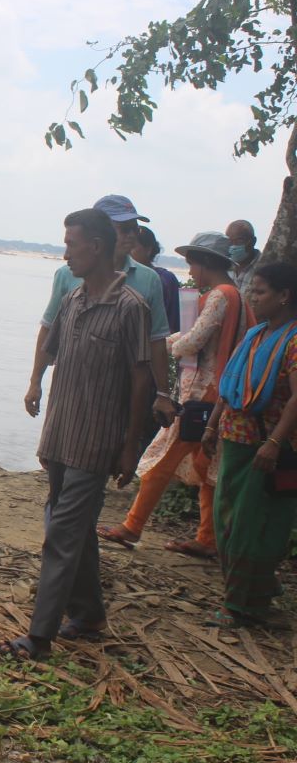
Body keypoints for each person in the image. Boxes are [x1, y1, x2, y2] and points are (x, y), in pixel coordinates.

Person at [0, 208, 150, 659]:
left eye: (71, 245)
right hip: (62, 435)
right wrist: (36, 387)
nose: (65, 254)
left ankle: (39, 637)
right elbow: (52, 352)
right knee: (73, 530)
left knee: (61, 534)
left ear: (95, 247)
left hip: (96, 443)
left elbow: (141, 380)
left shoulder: (130, 308)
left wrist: (129, 447)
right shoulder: (73, 300)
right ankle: (89, 614)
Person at [98, 233, 252, 557]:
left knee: (161, 459)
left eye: (192, 264)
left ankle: (133, 525)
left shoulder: (220, 296)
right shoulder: (236, 294)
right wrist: (164, 342)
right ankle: (207, 538)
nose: (191, 272)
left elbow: (194, 341)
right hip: (220, 395)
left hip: (202, 394)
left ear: (206, 262)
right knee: (206, 466)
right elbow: (197, 336)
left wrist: (163, 347)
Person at [26, 195, 173, 436]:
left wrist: (163, 393)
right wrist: (35, 383)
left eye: (135, 229)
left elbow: (156, 340)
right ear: (101, 233)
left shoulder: (149, 280)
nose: (132, 235)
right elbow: (49, 329)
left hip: (123, 392)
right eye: (123, 228)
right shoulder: (67, 275)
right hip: (70, 389)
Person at [202, 263, 297, 627]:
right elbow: (231, 385)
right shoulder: (256, 335)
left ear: (284, 296)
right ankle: (256, 593)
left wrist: (273, 443)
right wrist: (211, 426)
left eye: (260, 291)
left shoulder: (292, 342)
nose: (253, 298)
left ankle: (240, 605)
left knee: (251, 526)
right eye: (252, 290)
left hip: (264, 449)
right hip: (235, 442)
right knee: (227, 519)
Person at [130, 226, 180, 334]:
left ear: (148, 250)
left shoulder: (165, 279)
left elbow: (174, 321)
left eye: (132, 247)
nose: (128, 252)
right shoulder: (121, 276)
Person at [227, 219, 260, 293]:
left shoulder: (265, 266)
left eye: (239, 240)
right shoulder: (225, 267)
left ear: (253, 241)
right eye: (229, 241)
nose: (233, 245)